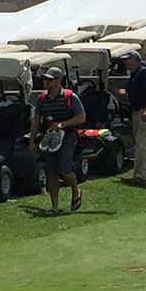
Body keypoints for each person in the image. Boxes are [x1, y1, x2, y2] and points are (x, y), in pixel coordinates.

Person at [28, 67, 86, 214]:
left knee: (65, 170)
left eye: (49, 79)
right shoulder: (42, 99)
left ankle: (76, 191)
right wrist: (32, 140)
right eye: (45, 79)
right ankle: (54, 207)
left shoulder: (70, 97)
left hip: (67, 136)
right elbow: (36, 120)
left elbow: (81, 117)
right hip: (50, 137)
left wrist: (63, 124)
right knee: (51, 172)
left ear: (58, 81)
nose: (46, 82)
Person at [121, 50, 146, 185]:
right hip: (137, 110)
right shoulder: (134, 74)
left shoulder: (143, 72)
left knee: (141, 143)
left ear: (134, 59)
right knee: (142, 143)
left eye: (127, 59)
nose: (124, 62)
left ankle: (140, 175)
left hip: (145, 110)